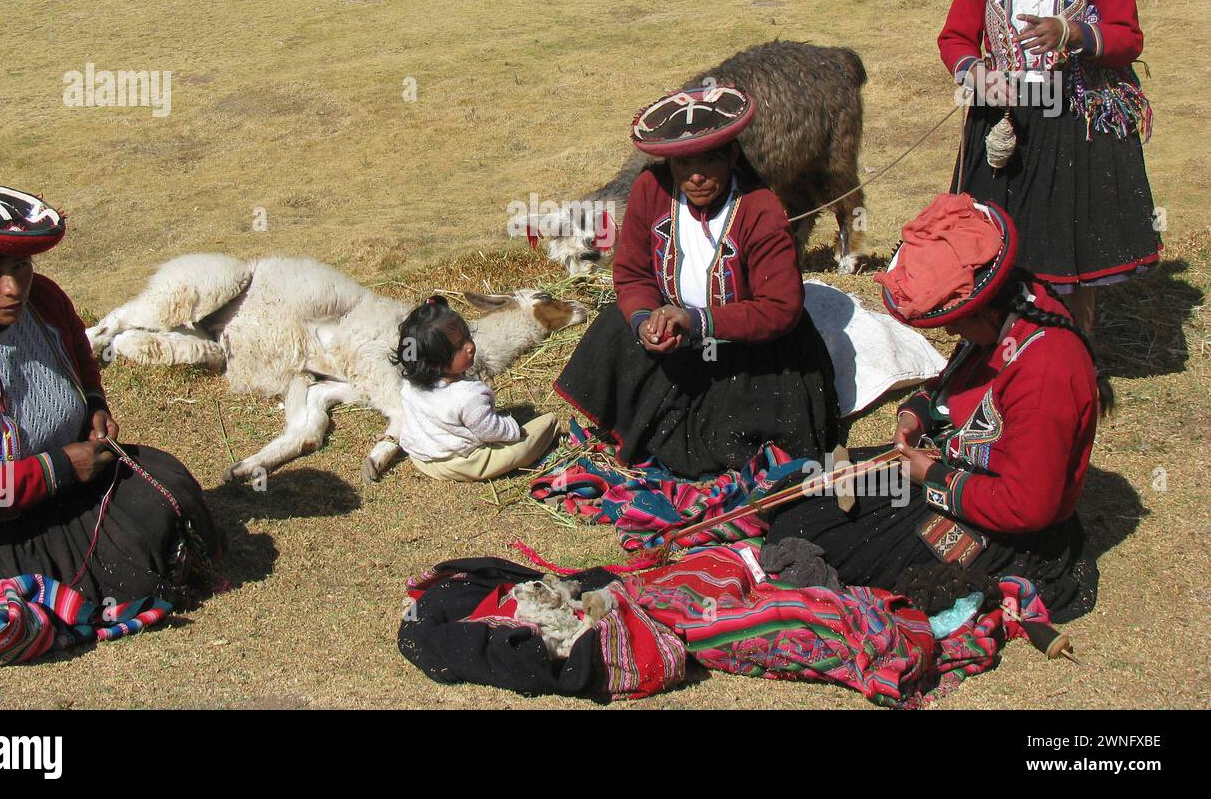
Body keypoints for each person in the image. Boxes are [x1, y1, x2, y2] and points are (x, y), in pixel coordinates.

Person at [761, 194, 1100, 621]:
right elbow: (956, 381)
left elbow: (1028, 507)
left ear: (983, 305)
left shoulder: (1046, 370)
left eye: (953, 321)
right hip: (950, 470)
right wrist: (916, 413)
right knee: (800, 491)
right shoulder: (1009, 312)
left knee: (817, 537)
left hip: (1000, 525)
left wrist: (932, 476)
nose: (951, 330)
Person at [0, 180, 221, 606]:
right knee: (137, 544)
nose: (13, 288)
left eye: (20, 267)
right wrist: (59, 468)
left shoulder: (44, 300)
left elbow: (78, 354)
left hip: (66, 474)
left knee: (170, 482)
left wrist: (94, 406)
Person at [938, 0, 1159, 338]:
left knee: (1068, 241)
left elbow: (1127, 37)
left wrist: (1074, 31)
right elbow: (955, 36)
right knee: (997, 236)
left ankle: (1072, 347)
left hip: (1075, 114)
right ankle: (1002, 339)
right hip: (1004, 114)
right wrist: (975, 72)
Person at [554, 84, 840, 479]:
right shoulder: (650, 191)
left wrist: (696, 321)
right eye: (683, 165)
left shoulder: (760, 210)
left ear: (732, 155)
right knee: (613, 327)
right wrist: (645, 321)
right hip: (675, 331)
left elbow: (780, 307)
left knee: (740, 430)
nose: (696, 177)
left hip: (750, 345)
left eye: (709, 161)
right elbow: (633, 273)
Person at [372, 295, 560, 483]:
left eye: (468, 336)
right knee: (546, 425)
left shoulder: (410, 384)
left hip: (421, 455)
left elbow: (408, 351)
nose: (469, 347)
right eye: (458, 347)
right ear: (436, 362)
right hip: (457, 463)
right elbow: (490, 430)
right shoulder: (468, 395)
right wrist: (514, 429)